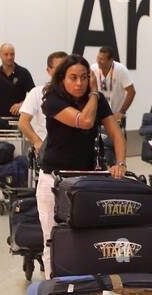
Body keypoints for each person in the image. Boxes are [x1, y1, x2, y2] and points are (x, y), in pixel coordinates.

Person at [37, 55, 128, 273]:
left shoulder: (96, 99)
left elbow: (115, 133)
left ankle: (83, 290)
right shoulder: (52, 99)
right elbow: (85, 122)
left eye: (84, 78)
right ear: (62, 79)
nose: (79, 83)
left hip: (86, 179)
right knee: (53, 239)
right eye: (73, 78)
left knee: (86, 237)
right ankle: (56, 293)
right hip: (54, 179)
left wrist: (121, 163)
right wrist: (95, 94)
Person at [18, 51, 67, 156]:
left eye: (66, 68)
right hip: (47, 149)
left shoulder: (78, 93)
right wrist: (37, 141)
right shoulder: (37, 92)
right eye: (59, 68)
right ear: (49, 70)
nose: (63, 72)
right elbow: (23, 122)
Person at [0, 43, 35, 119]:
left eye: (12, 54)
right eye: (6, 54)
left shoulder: (24, 73)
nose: (9, 57)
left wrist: (22, 104)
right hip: (0, 119)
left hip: (20, 120)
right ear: (0, 55)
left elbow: (34, 95)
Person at [91, 46, 135, 127]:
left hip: (115, 115)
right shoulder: (93, 69)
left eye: (102, 59)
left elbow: (131, 91)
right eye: (98, 58)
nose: (98, 61)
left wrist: (122, 111)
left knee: (117, 138)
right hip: (98, 114)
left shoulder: (120, 69)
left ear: (110, 60)